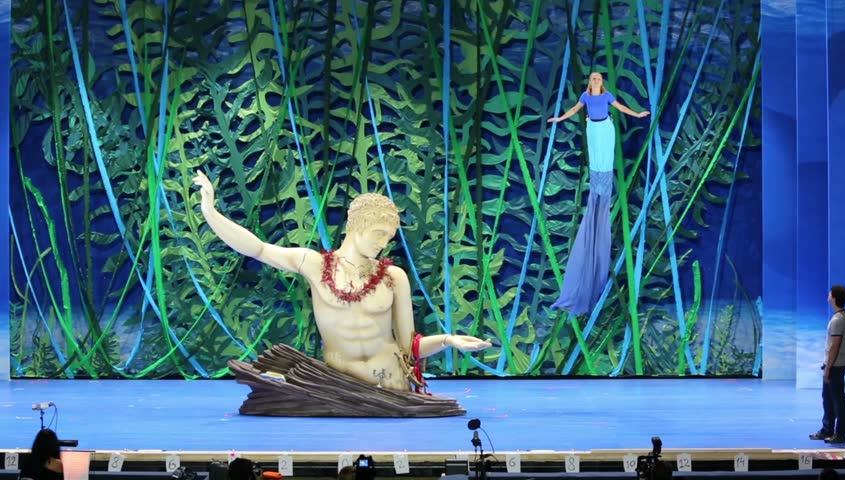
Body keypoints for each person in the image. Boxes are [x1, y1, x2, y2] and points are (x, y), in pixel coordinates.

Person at [193, 171, 492, 392]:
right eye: (378, 234)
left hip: (390, 386)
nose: (383, 244)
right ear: (356, 227)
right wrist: (210, 211)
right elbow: (257, 248)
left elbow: (407, 346)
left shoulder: (393, 277)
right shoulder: (314, 264)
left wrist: (447, 341)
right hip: (338, 387)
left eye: (388, 238)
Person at [547, 72, 649, 315]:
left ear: (602, 82)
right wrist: (559, 118)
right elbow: (574, 110)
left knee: (604, 163)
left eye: (598, 78)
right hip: (593, 129)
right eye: (592, 78)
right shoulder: (585, 96)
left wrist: (636, 114)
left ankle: (602, 192)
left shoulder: (606, 96)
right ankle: (599, 193)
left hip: (605, 129)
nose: (595, 81)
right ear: (589, 82)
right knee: (597, 168)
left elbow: (621, 107)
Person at [810, 285, 845, 444]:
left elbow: (835, 345)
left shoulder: (838, 320)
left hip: (835, 365)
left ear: (833, 297)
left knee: (838, 399)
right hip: (838, 363)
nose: (828, 295)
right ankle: (827, 429)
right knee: (828, 398)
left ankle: (841, 433)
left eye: (830, 293)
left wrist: (828, 368)